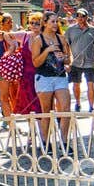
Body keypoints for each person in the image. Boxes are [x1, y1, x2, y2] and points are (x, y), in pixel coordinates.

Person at [30, 12, 73, 140]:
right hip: (44, 78)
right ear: (45, 23)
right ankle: (45, 141)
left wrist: (64, 59)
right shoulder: (38, 40)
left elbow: (68, 59)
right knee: (47, 111)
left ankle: (64, 141)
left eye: (56, 21)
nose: (55, 24)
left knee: (65, 108)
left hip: (60, 77)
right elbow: (35, 62)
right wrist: (47, 51)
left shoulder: (61, 39)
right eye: (52, 22)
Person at [65, 8, 94, 113]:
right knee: (76, 84)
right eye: (78, 16)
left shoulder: (93, 30)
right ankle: (78, 103)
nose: (80, 18)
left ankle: (91, 106)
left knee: (90, 83)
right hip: (76, 62)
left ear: (87, 17)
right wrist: (67, 61)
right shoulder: (70, 30)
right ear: (76, 17)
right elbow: (66, 46)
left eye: (82, 16)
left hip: (89, 62)